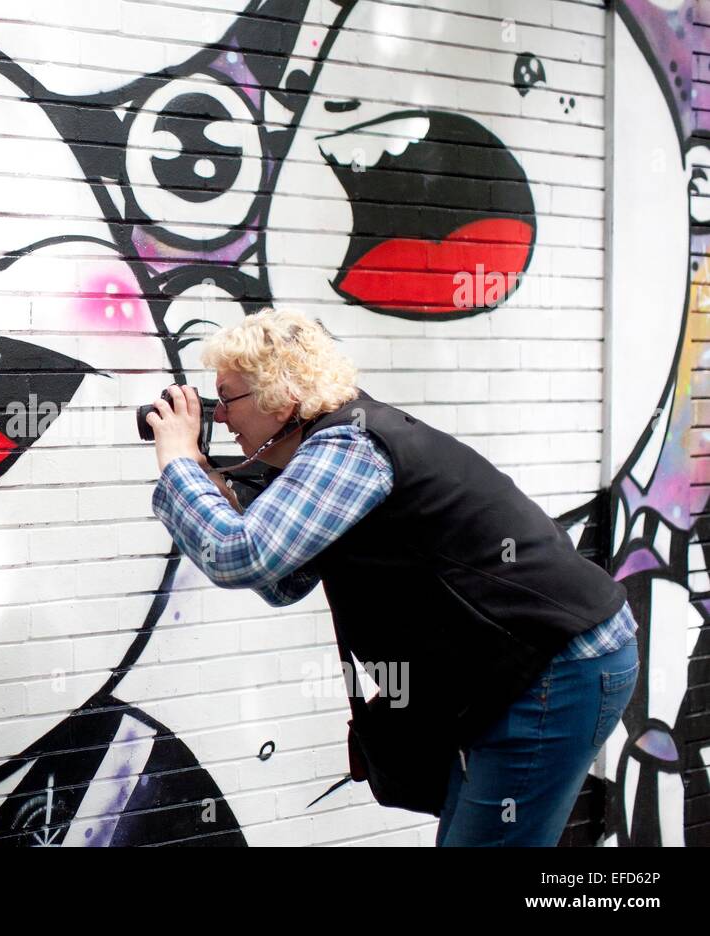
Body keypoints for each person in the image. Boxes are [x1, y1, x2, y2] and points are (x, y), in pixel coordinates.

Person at [145, 307, 639, 846]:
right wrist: (217, 493)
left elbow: (242, 556)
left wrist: (178, 463)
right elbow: (280, 580)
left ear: (280, 395)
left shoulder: (350, 447)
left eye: (228, 396)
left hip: (556, 666)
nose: (218, 417)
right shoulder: (329, 450)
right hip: (514, 673)